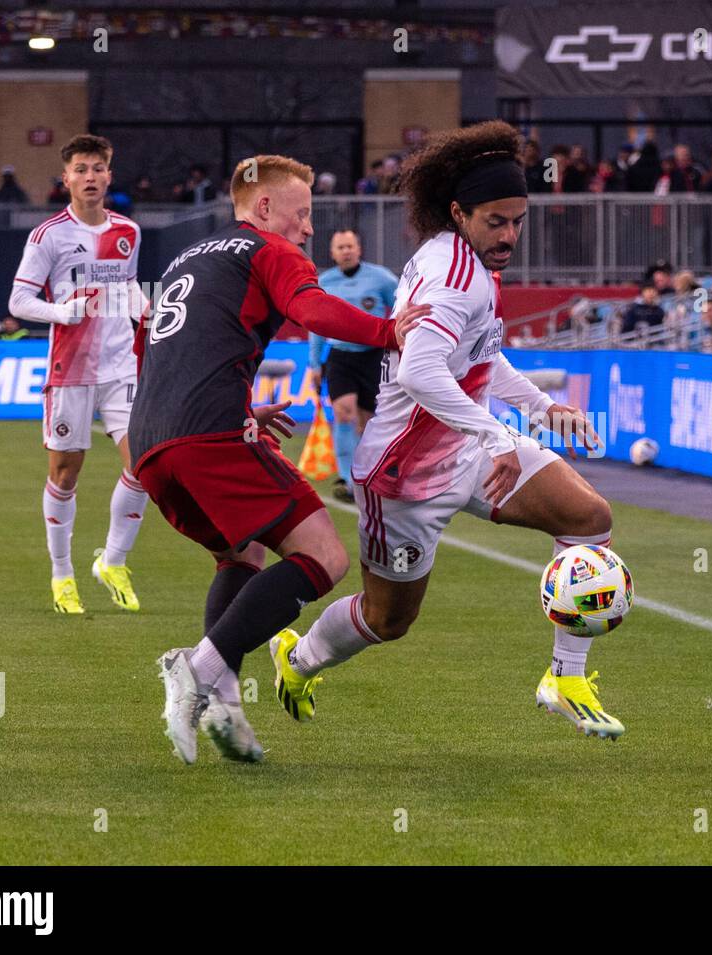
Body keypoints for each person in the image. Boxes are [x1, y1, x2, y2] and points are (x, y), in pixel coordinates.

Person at [273, 121, 626, 741]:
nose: (510, 235)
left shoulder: (467, 260)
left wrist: (540, 409)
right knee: (387, 620)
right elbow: (418, 372)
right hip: (404, 474)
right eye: (497, 221)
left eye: (519, 220)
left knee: (587, 518)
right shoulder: (452, 277)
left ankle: (563, 679)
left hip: (467, 448)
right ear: (459, 212)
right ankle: (298, 660)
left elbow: (483, 354)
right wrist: (497, 437)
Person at [137, 154, 429, 764]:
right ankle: (199, 669)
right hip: (206, 435)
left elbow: (167, 344)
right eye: (304, 214)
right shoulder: (268, 251)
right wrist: (390, 331)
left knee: (240, 553)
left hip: (151, 442)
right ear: (265, 207)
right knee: (325, 557)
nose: (309, 231)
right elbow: (315, 311)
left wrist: (238, 409)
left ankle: (227, 707)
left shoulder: (190, 256)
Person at [8, 134, 149, 616]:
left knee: (145, 462)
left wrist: (149, 311)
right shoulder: (48, 236)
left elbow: (126, 285)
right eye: (80, 170)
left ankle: (112, 561)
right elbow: (19, 301)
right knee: (65, 474)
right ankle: (62, 573)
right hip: (70, 369)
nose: (89, 177)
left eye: (98, 168)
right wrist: (61, 311)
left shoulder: (128, 230)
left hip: (120, 365)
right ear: (66, 178)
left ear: (109, 175)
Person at [306, 229, 398, 502]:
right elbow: (316, 325)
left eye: (350, 246)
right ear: (333, 253)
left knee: (367, 422)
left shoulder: (381, 278)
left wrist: (398, 345)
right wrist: (314, 363)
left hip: (372, 356)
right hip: (340, 356)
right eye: (340, 247)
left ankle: (369, 474)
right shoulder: (323, 282)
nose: (345, 251)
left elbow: (400, 310)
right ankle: (347, 480)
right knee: (343, 412)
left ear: (359, 249)